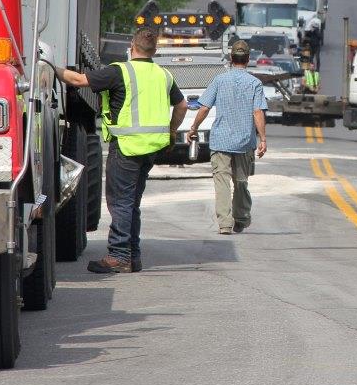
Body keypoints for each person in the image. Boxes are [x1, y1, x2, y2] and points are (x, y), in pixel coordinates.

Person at [56, 27, 187, 273]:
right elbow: (181, 105)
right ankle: (132, 256)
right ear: (154, 50)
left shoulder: (120, 72)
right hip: (151, 150)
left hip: (126, 148)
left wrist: (48, 64)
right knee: (132, 203)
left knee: (120, 203)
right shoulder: (164, 75)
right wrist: (171, 131)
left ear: (132, 47)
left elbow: (78, 80)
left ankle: (119, 255)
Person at [188, 39, 267, 235]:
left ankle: (225, 224)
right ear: (248, 60)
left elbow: (204, 107)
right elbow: (258, 112)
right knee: (241, 182)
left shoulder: (219, 80)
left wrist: (194, 127)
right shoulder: (255, 83)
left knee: (221, 182)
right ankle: (240, 218)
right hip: (244, 142)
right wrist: (263, 139)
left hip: (221, 141)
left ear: (231, 58)